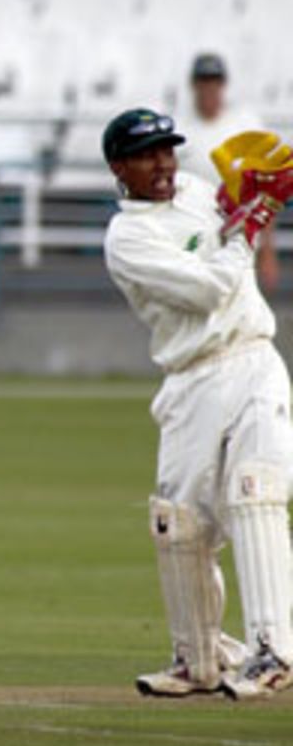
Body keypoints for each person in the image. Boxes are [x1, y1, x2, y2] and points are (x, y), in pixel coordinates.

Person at [102, 107, 293, 699]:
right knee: (179, 524)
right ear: (120, 168)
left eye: (167, 151)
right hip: (191, 378)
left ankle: (273, 653)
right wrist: (248, 230)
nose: (163, 164)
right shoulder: (127, 239)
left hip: (253, 358)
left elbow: (239, 224)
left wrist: (256, 206)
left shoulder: (197, 191)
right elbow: (208, 289)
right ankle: (199, 660)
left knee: (256, 493)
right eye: (147, 155)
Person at [176, 52, 279, 290]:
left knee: (240, 308)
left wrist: (268, 251)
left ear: (223, 85)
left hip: (238, 236)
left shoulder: (244, 124)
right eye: (204, 82)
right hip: (193, 236)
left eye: (214, 82)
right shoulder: (180, 128)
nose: (209, 89)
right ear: (194, 85)